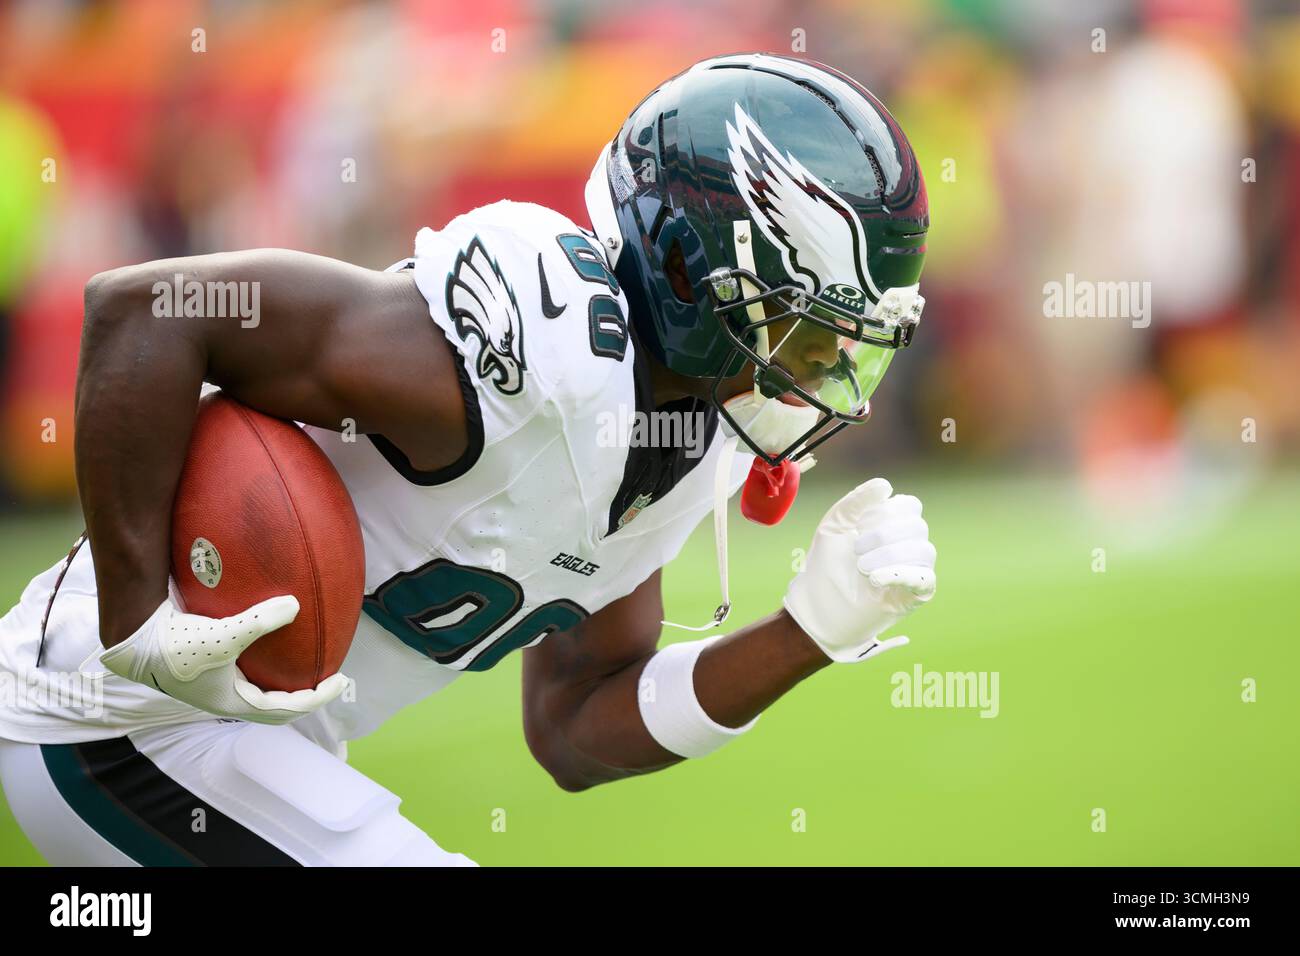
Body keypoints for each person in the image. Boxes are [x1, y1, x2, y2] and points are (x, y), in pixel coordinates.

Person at [0, 53, 935, 866]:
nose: (820, 374)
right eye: (806, 332)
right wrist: (136, 621)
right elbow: (151, 311)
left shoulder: (689, 447)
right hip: (114, 714)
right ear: (689, 271)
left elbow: (573, 727)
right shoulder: (541, 345)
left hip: (251, 744)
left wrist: (803, 636)